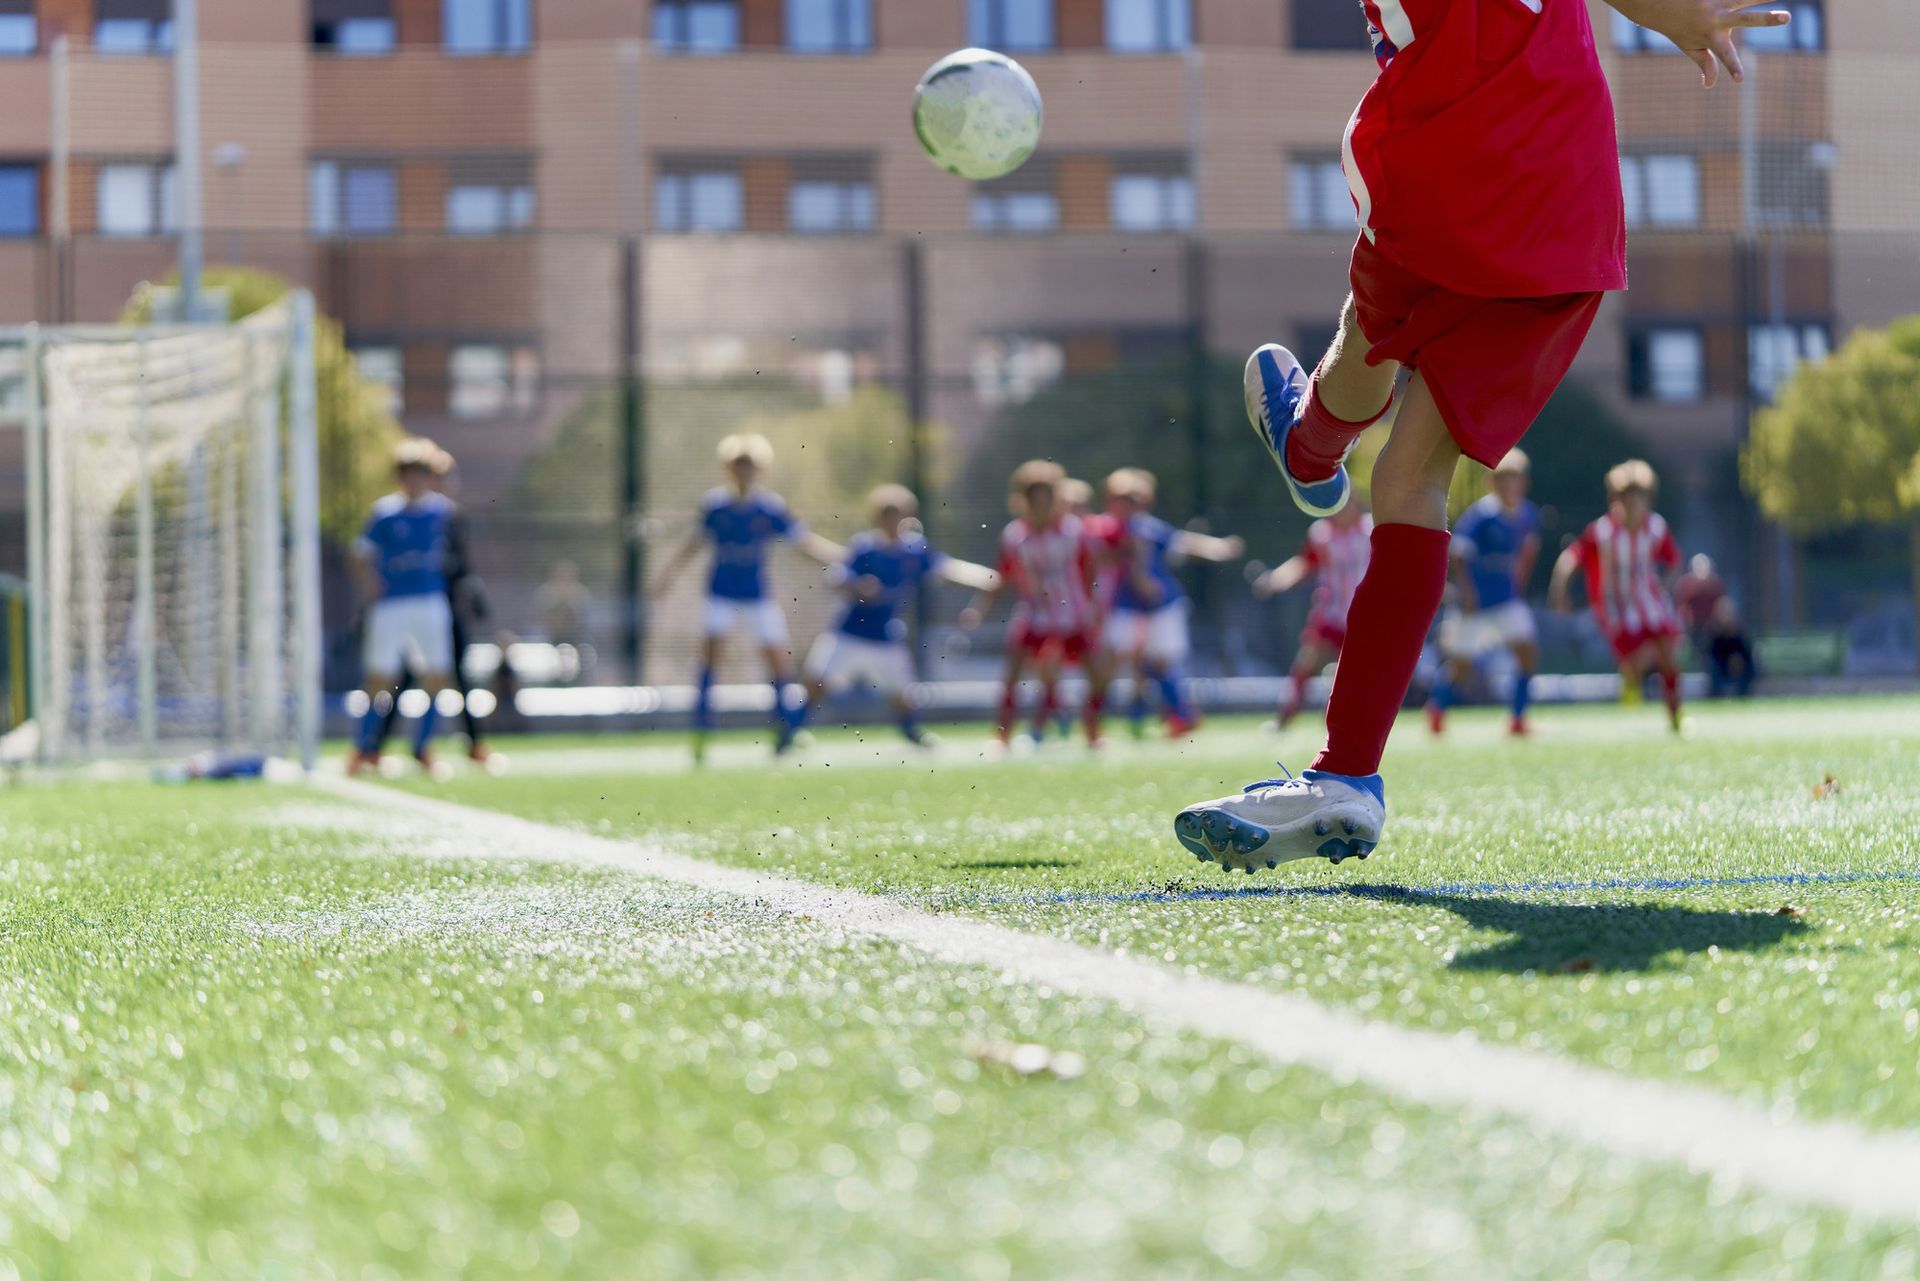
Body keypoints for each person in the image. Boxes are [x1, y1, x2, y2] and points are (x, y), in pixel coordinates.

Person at [1172, 0, 1786, 871]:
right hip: (1562, 206)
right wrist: (1675, 17)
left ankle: (1310, 451)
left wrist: (1671, 15)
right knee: (1408, 476)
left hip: (1450, 169)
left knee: (1372, 342)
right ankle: (1347, 770)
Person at [650, 434, 842, 762]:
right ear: (728, 469)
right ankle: (701, 732)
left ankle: (784, 731)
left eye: (750, 467)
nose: (744, 473)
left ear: (760, 471)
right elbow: (692, 545)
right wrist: (667, 575)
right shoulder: (716, 507)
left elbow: (804, 543)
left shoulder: (770, 508)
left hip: (756, 596)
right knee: (710, 658)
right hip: (720, 594)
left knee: (777, 661)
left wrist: (843, 556)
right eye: (738, 467)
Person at [792, 484, 997, 749]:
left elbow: (947, 567)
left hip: (886, 636)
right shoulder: (865, 547)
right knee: (815, 684)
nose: (894, 521)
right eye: (888, 515)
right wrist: (858, 587)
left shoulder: (916, 550)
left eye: (899, 514)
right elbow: (836, 577)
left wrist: (985, 577)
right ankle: (790, 733)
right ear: (877, 518)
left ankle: (912, 732)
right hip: (850, 633)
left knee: (903, 693)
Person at [367, 446, 498, 769]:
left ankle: (465, 743)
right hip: (422, 606)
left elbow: (461, 565)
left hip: (445, 608)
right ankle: (375, 746)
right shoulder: (412, 514)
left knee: (453, 676)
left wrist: (472, 598)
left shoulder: (449, 515)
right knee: (404, 679)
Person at [961, 459, 1107, 749]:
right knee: (1013, 675)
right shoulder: (1015, 535)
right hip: (1034, 614)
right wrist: (980, 608)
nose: (1041, 505)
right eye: (1034, 498)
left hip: (1073, 614)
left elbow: (1091, 571)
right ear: (1023, 499)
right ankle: (1002, 738)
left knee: (1097, 676)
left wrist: (1095, 607)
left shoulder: (1073, 531)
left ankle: (1092, 735)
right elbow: (1002, 576)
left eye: (1047, 497)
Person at [1101, 468, 1245, 739]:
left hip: (1159, 604)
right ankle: (1153, 717)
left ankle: (1178, 715)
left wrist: (1217, 548)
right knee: (1135, 660)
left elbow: (1183, 543)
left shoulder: (1146, 527)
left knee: (1156, 661)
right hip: (1129, 605)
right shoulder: (1110, 529)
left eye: (1131, 498)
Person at [347, 439, 459, 778]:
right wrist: (370, 585)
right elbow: (359, 554)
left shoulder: (442, 511)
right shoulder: (384, 512)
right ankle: (364, 749)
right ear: (400, 477)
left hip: (430, 602)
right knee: (379, 678)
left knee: (437, 676)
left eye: (422, 474)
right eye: (410, 474)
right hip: (392, 605)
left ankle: (422, 747)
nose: (416, 481)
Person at [1549, 459, 1687, 731]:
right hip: (1617, 608)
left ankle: (1675, 717)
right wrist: (1560, 588)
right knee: (1638, 661)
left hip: (1651, 604)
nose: (1633, 502)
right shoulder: (1602, 531)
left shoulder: (1656, 527)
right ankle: (1631, 682)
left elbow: (1674, 561)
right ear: (1616, 498)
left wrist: (1665, 586)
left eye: (1639, 495)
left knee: (1669, 658)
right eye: (1626, 496)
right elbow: (1571, 558)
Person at [1428, 448, 1543, 736]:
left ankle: (1517, 718)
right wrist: (1466, 594)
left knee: (1527, 653)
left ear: (1522, 483)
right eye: (1502, 480)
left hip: (1505, 600)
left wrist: (1519, 581)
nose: (1509, 486)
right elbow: (1459, 556)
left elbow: (1529, 548)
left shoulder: (1528, 514)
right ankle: (1437, 709)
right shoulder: (1481, 516)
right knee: (1462, 667)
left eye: (1514, 480)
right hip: (1475, 604)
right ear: (1491, 483)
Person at [1252, 500, 1372, 731]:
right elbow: (1303, 564)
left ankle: (1347, 721)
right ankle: (1284, 718)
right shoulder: (1322, 534)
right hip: (1331, 615)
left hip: (1364, 617)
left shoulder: (1369, 531)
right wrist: (1276, 579)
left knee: (1358, 674)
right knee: (1306, 664)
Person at [1675, 553, 1728, 656]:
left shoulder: (1715, 584)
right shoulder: (1685, 585)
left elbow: (1721, 604)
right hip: (1691, 626)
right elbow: (1681, 606)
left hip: (1711, 627)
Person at [1706, 595, 1757, 698]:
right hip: (1721, 665)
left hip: (1740, 665)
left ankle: (1743, 696)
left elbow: (1747, 651)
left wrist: (1737, 660)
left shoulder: (1740, 630)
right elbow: (1711, 652)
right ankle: (1716, 696)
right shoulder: (1712, 630)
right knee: (1713, 669)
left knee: (1751, 669)